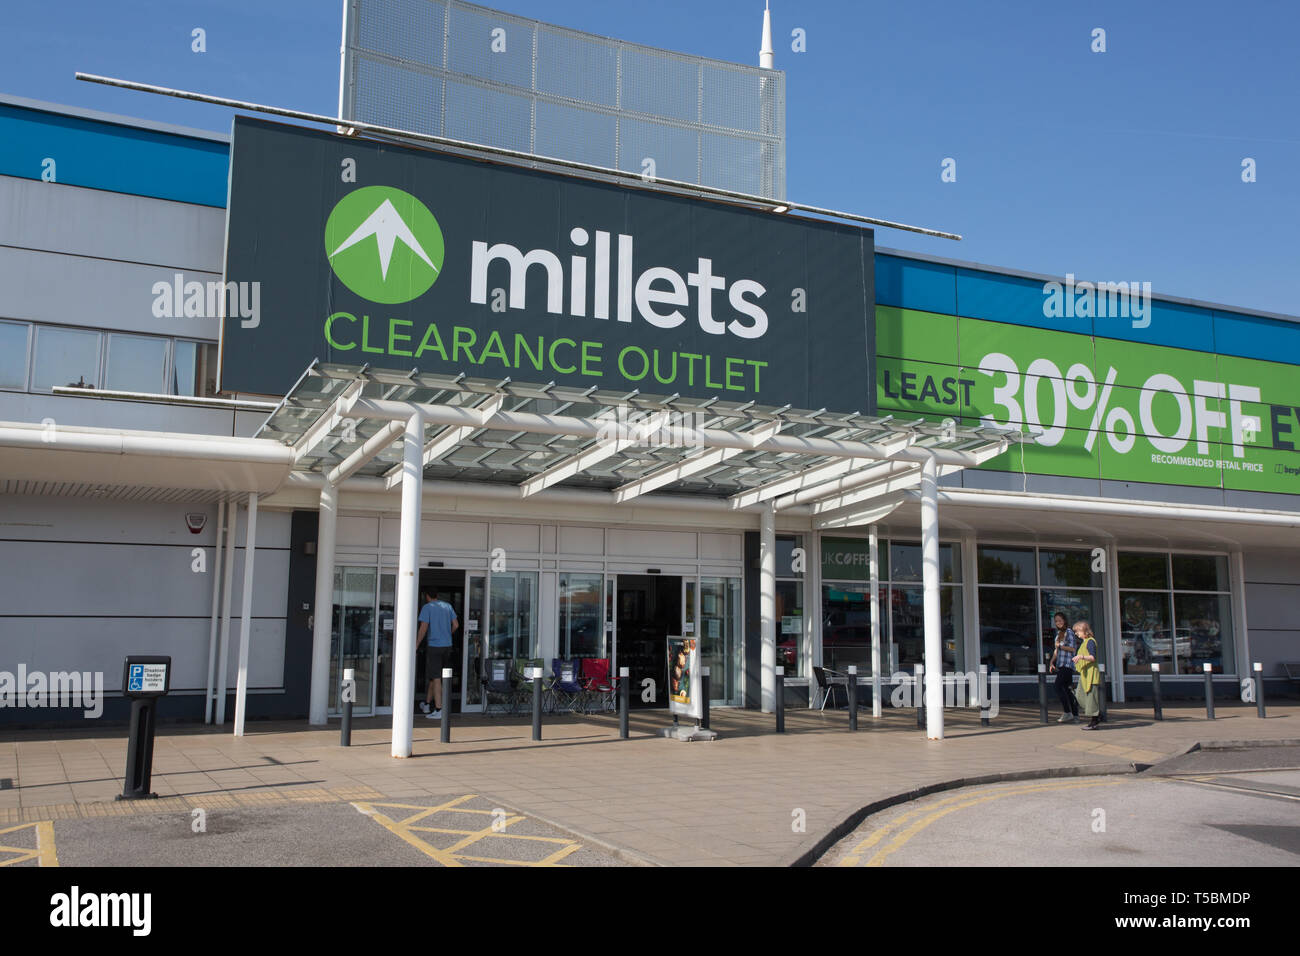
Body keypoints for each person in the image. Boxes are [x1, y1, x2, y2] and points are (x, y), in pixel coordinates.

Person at [416, 589, 458, 719]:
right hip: (447, 646)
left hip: (434, 646)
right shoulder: (448, 606)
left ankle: (439, 709)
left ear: (427, 596)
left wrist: (416, 645)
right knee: (436, 677)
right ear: (437, 596)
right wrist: (447, 635)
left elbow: (423, 627)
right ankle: (427, 704)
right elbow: (456, 625)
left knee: (436, 678)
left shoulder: (427, 607)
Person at [1047, 612, 1078, 723]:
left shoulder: (1069, 632)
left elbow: (1073, 649)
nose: (1058, 622)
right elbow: (1056, 650)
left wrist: (1060, 646)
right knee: (1066, 689)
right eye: (1056, 621)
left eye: (1060, 620)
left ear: (1064, 620)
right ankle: (1074, 713)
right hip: (1061, 664)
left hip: (1068, 664)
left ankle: (1067, 712)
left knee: (1057, 686)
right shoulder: (1059, 633)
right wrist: (1051, 662)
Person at [1071, 620, 1102, 729]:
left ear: (1084, 630)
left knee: (1090, 698)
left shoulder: (1090, 641)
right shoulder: (1084, 642)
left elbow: (1092, 657)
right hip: (1084, 674)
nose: (1076, 633)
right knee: (1079, 695)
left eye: (1077, 631)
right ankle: (1096, 714)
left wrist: (1081, 657)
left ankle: (1094, 720)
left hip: (1091, 674)